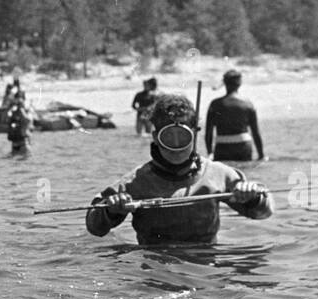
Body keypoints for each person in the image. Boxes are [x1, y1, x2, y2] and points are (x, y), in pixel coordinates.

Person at [86, 92, 270, 246]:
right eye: (168, 138)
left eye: (182, 138)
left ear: (194, 135)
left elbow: (264, 213)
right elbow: (94, 226)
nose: (176, 147)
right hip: (157, 270)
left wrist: (253, 197)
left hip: (205, 270)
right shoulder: (135, 182)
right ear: (157, 137)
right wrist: (111, 210)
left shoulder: (218, 174)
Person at [205, 69, 265, 163]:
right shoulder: (248, 104)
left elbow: (209, 132)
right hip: (243, 146)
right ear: (240, 83)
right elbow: (255, 133)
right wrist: (261, 155)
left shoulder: (215, 104)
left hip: (222, 147)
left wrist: (210, 153)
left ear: (224, 83)